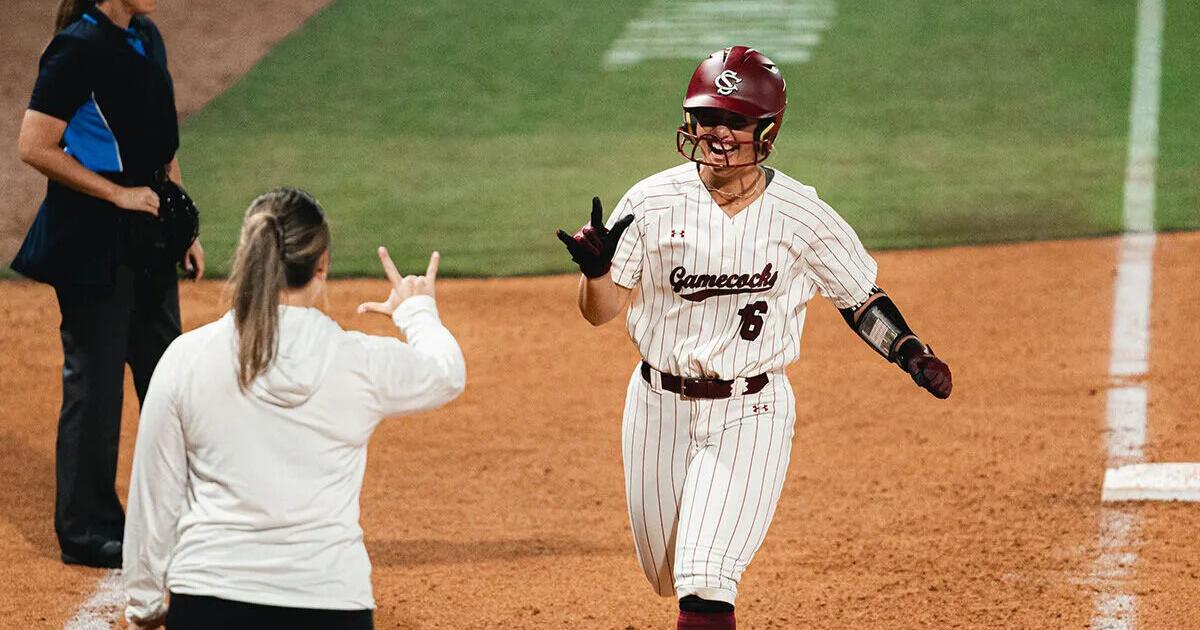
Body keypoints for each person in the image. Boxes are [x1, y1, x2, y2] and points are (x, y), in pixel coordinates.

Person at [556, 46, 952, 630]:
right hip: (656, 407)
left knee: (705, 578)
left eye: (735, 120)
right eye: (708, 117)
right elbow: (600, 313)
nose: (717, 132)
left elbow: (860, 298)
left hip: (752, 410)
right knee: (667, 571)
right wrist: (594, 275)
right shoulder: (650, 201)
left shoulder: (799, 212)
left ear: (767, 131)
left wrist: (910, 350)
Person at [121, 187, 466, 629]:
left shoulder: (186, 358)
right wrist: (417, 310)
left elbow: (155, 494)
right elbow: (446, 372)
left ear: (248, 257)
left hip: (208, 600)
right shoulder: (357, 361)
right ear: (321, 266)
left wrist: (146, 605)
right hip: (330, 605)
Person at [10, 0, 204, 568]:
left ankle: (183, 512)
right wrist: (116, 193)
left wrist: (183, 224)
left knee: (168, 375)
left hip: (149, 236)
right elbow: (34, 144)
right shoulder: (77, 47)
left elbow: (162, 148)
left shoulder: (146, 36)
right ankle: (87, 528)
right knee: (96, 388)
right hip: (92, 242)